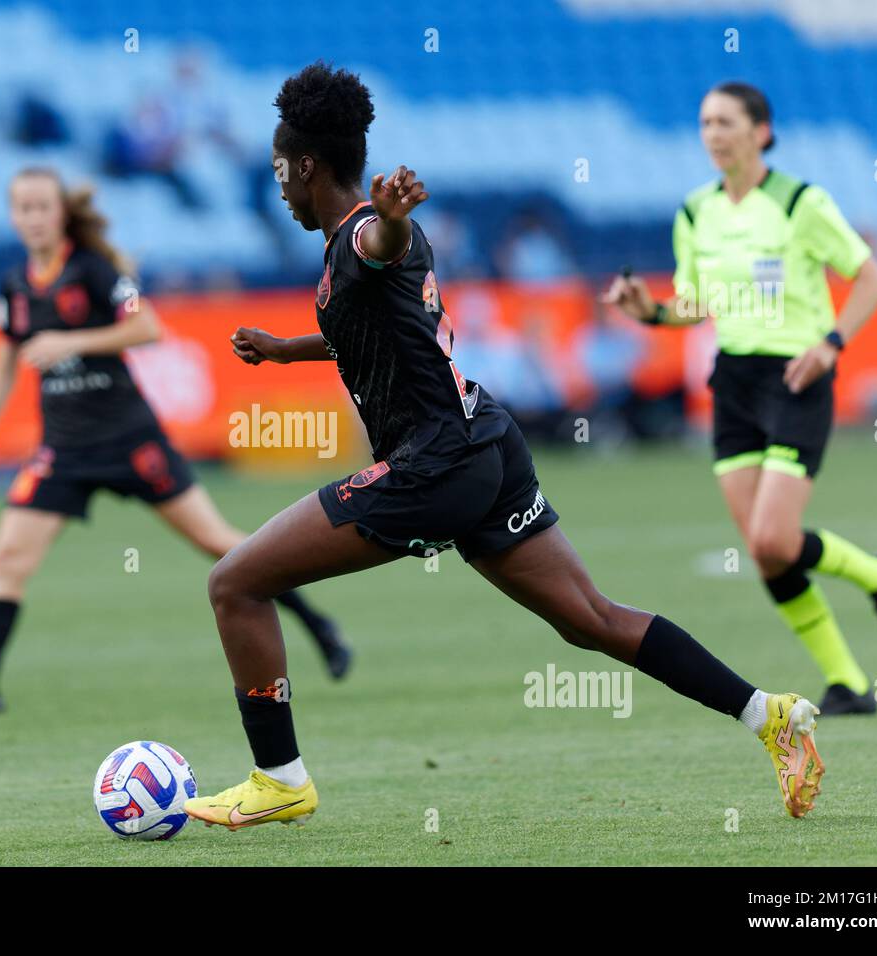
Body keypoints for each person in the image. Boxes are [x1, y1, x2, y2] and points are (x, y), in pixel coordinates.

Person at [182, 63, 825, 830]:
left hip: (434, 465)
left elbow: (380, 245)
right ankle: (769, 713)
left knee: (235, 584)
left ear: (306, 166)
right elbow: (377, 331)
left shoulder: (363, 233)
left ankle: (279, 778)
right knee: (591, 617)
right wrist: (288, 351)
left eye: (281, 171)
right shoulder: (345, 253)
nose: (278, 186)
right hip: (486, 443)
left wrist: (388, 217)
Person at [0, 167, 349, 714]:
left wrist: (68, 341)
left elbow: (147, 328)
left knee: (218, 542)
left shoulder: (94, 270)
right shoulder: (14, 286)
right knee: (7, 555)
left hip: (130, 439)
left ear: (61, 215)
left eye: (42, 207)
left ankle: (319, 625)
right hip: (65, 449)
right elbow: (3, 365)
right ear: (13, 216)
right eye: (23, 208)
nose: (33, 218)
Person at [602, 81, 877, 715]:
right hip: (735, 384)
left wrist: (831, 343)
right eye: (704, 123)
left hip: (798, 377)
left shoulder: (801, 202)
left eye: (725, 121)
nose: (712, 133)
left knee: (774, 539)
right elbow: (696, 304)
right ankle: (849, 683)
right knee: (764, 550)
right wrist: (653, 312)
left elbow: (871, 277)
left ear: (761, 132)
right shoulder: (695, 211)